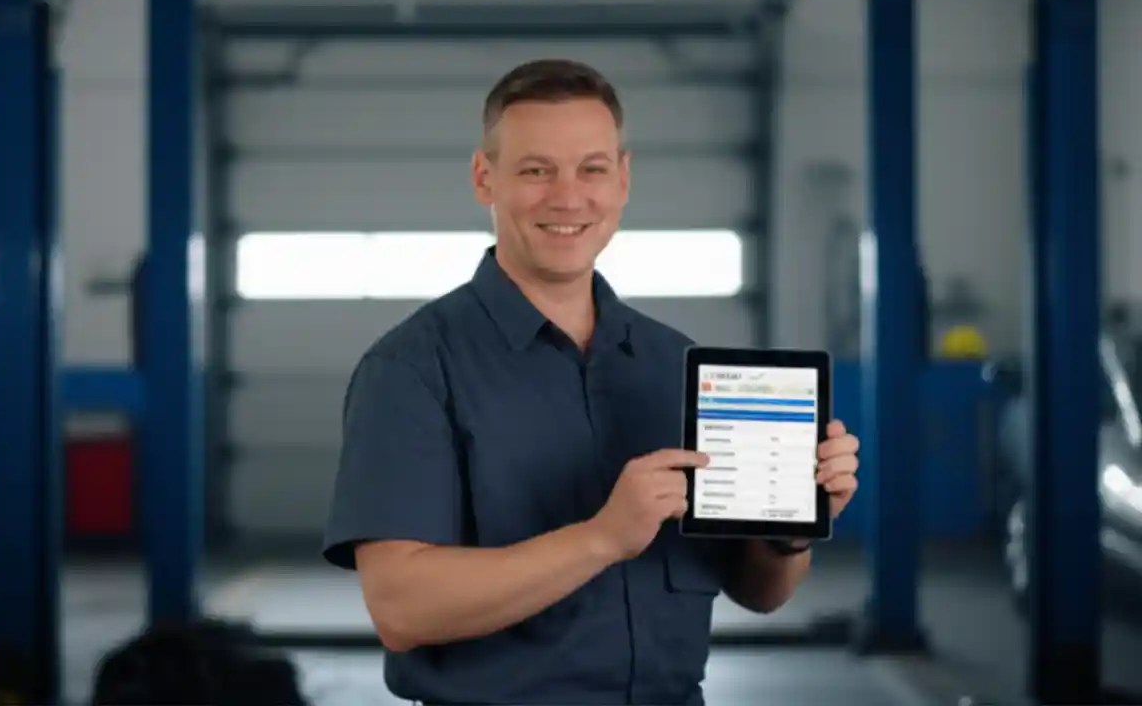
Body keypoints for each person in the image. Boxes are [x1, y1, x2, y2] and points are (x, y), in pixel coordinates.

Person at [322, 58, 861, 706]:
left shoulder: (673, 363)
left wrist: (792, 525)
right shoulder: (412, 370)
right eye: (536, 170)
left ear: (623, 178)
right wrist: (601, 538)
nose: (568, 197)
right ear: (483, 178)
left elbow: (760, 591)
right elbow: (402, 609)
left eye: (592, 169)